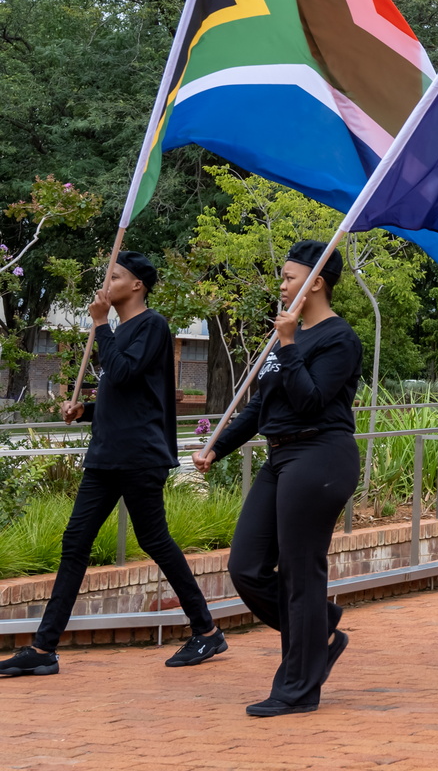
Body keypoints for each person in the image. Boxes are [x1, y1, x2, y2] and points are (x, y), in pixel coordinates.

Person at [1, 252, 220, 679]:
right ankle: (44, 648)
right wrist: (83, 410)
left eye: (115, 275)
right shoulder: (122, 331)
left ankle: (207, 630)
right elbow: (123, 397)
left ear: (137, 285)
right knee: (75, 541)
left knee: (155, 540)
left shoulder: (152, 326)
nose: (107, 281)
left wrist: (99, 325)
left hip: (139, 456)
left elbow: (121, 373)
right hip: (107, 454)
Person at [191, 241, 361, 716]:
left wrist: (287, 344)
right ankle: (320, 627)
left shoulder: (338, 339)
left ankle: (299, 688)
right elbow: (262, 407)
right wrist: (217, 447)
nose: (282, 285)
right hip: (281, 457)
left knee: (299, 573)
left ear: (316, 283)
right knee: (245, 567)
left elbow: (310, 401)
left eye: (289, 278)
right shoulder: (285, 338)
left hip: (320, 456)